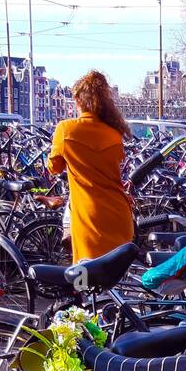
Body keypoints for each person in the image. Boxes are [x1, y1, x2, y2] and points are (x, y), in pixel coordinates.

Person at [47, 69, 134, 262]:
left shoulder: (65, 129)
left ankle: (81, 289)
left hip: (89, 217)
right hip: (119, 215)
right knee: (115, 279)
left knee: (84, 277)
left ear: (78, 101)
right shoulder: (114, 133)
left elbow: (54, 168)